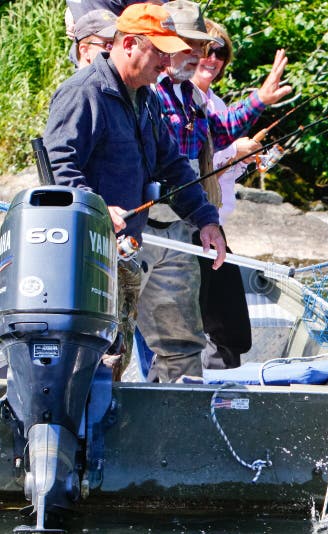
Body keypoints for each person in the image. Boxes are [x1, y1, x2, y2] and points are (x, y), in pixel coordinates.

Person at [43, 3, 227, 382]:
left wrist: (206, 220)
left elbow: (173, 167)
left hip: (129, 251)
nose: (167, 62)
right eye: (159, 52)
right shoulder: (83, 93)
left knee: (119, 355)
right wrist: (94, 206)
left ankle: (145, 431)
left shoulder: (146, 98)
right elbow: (60, 164)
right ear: (129, 44)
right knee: (92, 357)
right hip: (87, 257)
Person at [143, 0, 290, 372]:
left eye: (203, 48)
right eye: (188, 47)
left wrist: (259, 101)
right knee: (136, 319)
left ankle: (181, 385)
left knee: (200, 319)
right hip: (150, 223)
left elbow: (216, 132)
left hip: (189, 218)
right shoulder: (152, 91)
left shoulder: (188, 94)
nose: (197, 56)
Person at [189, 19, 263, 369]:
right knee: (217, 313)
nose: (212, 58)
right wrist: (234, 152)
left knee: (230, 317)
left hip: (213, 223)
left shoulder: (216, 103)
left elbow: (222, 172)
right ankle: (203, 377)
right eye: (206, 50)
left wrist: (243, 159)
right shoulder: (178, 98)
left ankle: (221, 375)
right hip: (188, 225)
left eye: (220, 52)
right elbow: (190, 161)